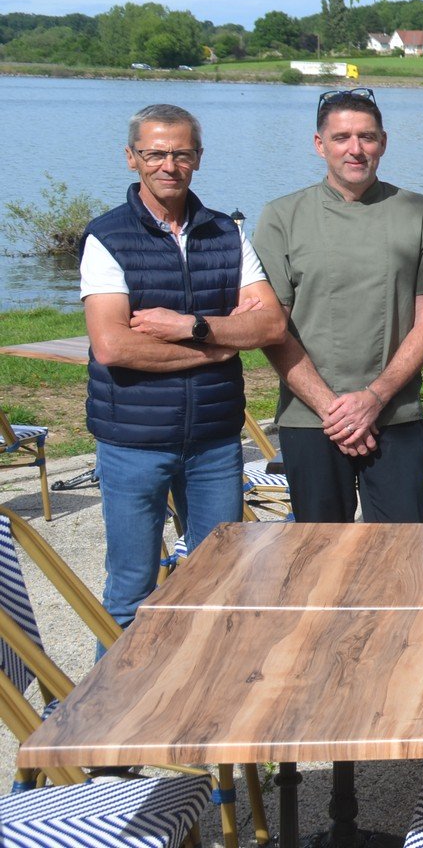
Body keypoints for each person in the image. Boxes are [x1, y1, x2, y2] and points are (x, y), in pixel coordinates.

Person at [80, 103, 286, 627]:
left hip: (214, 440)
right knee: (130, 587)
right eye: (155, 154)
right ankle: (115, 706)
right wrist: (217, 345)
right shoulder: (107, 238)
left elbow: (269, 327)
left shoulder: (226, 233)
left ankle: (210, 699)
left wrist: (191, 325)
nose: (168, 165)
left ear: (198, 158)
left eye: (181, 154)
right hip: (132, 441)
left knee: (220, 579)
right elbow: (113, 347)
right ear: (132, 158)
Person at [254, 88, 423, 523]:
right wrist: (334, 411)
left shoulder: (418, 212)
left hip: (395, 416)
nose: (355, 149)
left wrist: (374, 398)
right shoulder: (281, 217)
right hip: (311, 419)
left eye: (366, 137)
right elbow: (272, 329)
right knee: (320, 558)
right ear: (319, 144)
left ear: (383, 142)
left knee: (402, 555)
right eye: (342, 137)